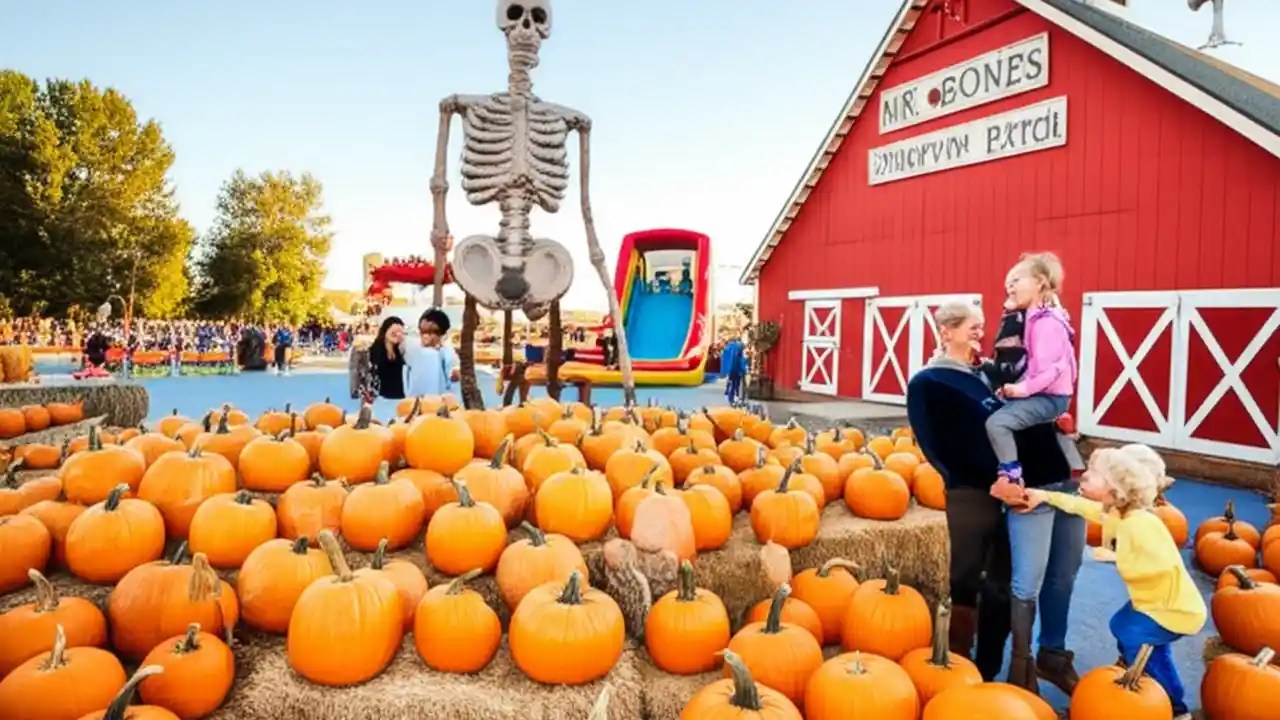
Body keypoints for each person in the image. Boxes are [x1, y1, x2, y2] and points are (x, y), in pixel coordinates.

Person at [908, 301, 1079, 692]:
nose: (979, 333)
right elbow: (935, 446)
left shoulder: (988, 374)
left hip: (1015, 489)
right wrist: (984, 479)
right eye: (972, 326)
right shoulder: (929, 381)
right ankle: (957, 664)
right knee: (966, 575)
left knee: (1004, 580)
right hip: (972, 491)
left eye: (981, 327)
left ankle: (989, 667)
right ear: (946, 330)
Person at [1022, 447, 1204, 719]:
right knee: (1125, 627)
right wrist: (1045, 496)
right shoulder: (1119, 513)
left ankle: (1175, 707)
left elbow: (1162, 565)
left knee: (1133, 634)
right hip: (1151, 603)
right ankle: (1134, 664)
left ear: (1115, 488)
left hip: (1172, 609)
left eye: (1093, 474)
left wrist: (1116, 557)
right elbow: (1082, 506)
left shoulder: (1141, 524)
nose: (1084, 477)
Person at [986, 252, 1077, 492]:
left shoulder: (1047, 323)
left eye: (1016, 281)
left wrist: (1021, 389)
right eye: (1008, 285)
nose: (1010, 287)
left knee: (997, 423)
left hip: (1050, 396)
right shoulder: (1035, 317)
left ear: (1039, 282)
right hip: (1044, 392)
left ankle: (1011, 473)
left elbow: (1051, 370)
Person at [404, 308, 459, 397]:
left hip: (438, 400)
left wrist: (454, 374)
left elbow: (455, 371)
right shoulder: (412, 349)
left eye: (432, 332)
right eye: (422, 331)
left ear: (443, 334)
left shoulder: (446, 352)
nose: (426, 336)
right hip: (415, 401)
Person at [363, 316, 407, 401]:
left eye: (400, 332)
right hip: (381, 398)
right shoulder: (375, 349)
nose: (397, 335)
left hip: (400, 397)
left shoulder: (400, 350)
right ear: (385, 331)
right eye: (393, 332)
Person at [721, 334, 747, 404]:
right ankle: (737, 398)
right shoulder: (738, 346)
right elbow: (739, 358)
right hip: (737, 368)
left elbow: (725, 357)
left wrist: (725, 370)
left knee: (731, 382)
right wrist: (743, 369)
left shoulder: (729, 347)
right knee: (737, 384)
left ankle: (731, 397)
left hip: (731, 368)